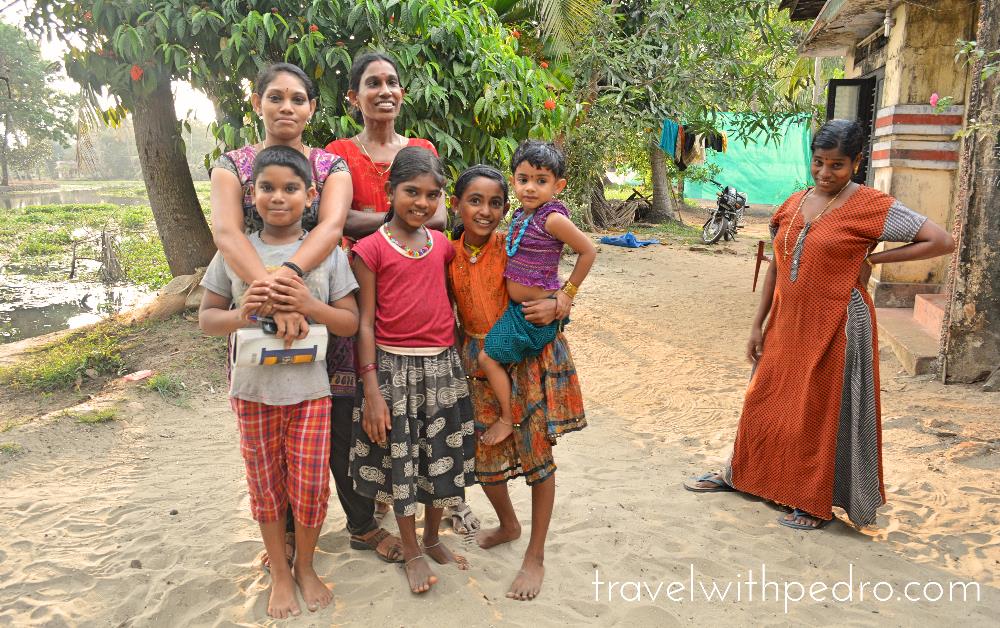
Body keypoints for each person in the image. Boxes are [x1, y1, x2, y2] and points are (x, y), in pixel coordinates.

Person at [683, 119, 955, 530]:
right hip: (788, 320)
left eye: (838, 165)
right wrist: (758, 324)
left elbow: (940, 240)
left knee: (820, 411)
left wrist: (873, 261)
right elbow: (777, 264)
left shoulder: (872, 206)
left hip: (839, 320)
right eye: (819, 163)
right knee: (766, 397)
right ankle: (743, 475)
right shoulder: (793, 203)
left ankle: (814, 502)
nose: (826, 173)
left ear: (857, 163)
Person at [208, 62, 401, 569]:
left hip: (317, 300)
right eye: (275, 97)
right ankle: (286, 538)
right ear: (257, 103)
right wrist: (265, 293)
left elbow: (333, 225)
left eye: (298, 98)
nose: (286, 107)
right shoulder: (231, 164)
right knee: (271, 433)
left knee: (335, 427)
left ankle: (361, 524)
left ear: (312, 107)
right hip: (258, 316)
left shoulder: (328, 167)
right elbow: (228, 235)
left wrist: (288, 278)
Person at [199, 146, 360, 618]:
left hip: (311, 393)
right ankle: (282, 573)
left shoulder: (326, 255)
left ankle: (306, 566)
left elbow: (349, 322)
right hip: (252, 394)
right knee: (265, 484)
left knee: (309, 487)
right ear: (251, 194)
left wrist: (309, 307)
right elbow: (207, 319)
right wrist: (240, 313)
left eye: (291, 188)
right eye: (267, 187)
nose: (278, 197)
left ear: (311, 196)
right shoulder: (235, 253)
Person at [327, 51, 479, 533]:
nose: (385, 90)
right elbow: (337, 221)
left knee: (433, 405)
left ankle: (446, 503)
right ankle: (375, 504)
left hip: (417, 285)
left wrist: (373, 219)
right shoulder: (339, 153)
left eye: (393, 81)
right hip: (359, 282)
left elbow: (437, 218)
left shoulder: (421, 146)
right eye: (373, 83)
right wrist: (392, 226)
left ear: (403, 93)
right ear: (354, 97)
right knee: (368, 397)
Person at [447, 165, 586, 601]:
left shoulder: (513, 245)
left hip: (526, 359)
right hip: (475, 359)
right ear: (457, 204)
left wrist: (562, 302)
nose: (485, 212)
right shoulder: (445, 253)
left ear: (505, 209)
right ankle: (508, 524)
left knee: (536, 454)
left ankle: (536, 555)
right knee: (484, 454)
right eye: (475, 201)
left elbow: (545, 285)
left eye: (494, 203)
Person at [349, 146, 476, 594]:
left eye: (432, 195)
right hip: (392, 371)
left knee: (440, 455)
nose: (422, 203)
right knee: (402, 462)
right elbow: (364, 322)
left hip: (442, 367)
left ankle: (432, 536)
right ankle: (412, 550)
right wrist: (371, 390)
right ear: (390, 191)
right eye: (411, 192)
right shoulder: (369, 250)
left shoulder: (441, 246)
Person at [477, 140, 597, 446]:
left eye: (541, 181)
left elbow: (588, 250)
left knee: (487, 358)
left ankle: (507, 418)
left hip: (533, 316)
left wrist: (567, 294)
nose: (530, 188)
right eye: (523, 179)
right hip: (521, 312)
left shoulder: (553, 219)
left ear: (558, 186)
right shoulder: (520, 216)